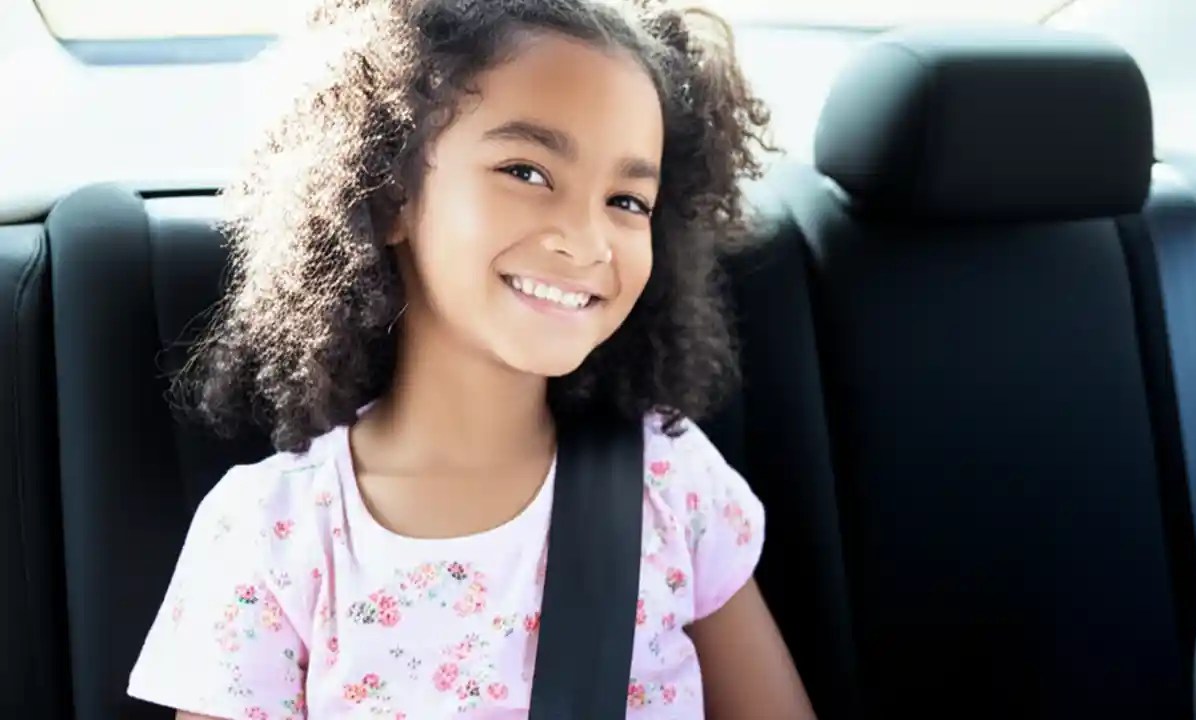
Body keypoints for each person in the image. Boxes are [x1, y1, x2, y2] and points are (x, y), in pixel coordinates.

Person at [127, 0, 814, 717]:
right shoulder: (272, 534)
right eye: (526, 171)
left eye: (627, 201)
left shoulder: (672, 484)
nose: (585, 241)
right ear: (388, 192)